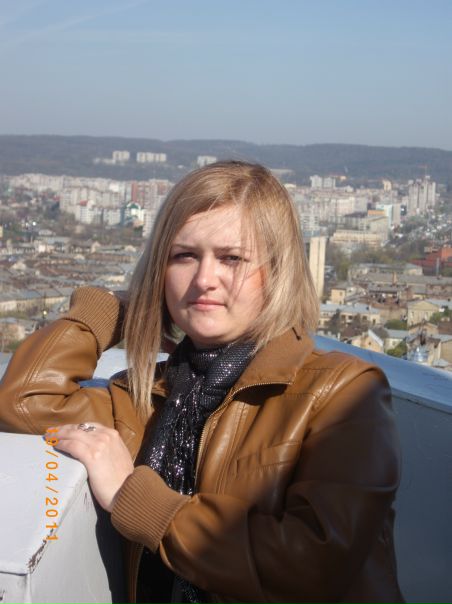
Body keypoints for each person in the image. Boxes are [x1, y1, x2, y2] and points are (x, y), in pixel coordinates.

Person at [0, 161, 404, 603]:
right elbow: (26, 400)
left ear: (278, 271)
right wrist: (122, 310)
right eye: (183, 256)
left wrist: (136, 499)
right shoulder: (145, 395)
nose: (204, 280)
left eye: (232, 258)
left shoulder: (343, 392)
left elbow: (313, 565)